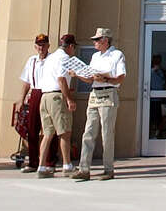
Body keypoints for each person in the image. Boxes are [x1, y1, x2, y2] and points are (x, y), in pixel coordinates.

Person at [72, 27, 126, 182]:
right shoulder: (95, 56)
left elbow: (120, 77)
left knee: (107, 133)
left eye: (97, 39)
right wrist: (78, 75)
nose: (94, 42)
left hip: (109, 93)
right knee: (88, 132)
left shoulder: (117, 55)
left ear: (105, 40)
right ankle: (84, 169)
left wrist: (106, 80)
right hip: (95, 94)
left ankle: (108, 169)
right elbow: (90, 78)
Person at [36, 34, 80, 178]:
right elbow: (61, 79)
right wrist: (69, 99)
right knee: (65, 133)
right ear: (71, 46)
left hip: (45, 96)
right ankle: (67, 165)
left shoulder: (50, 58)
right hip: (56, 97)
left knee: (47, 134)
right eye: (74, 47)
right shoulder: (64, 58)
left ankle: (41, 167)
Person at [17, 34, 51, 172]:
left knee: (48, 128)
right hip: (35, 92)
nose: (41, 48)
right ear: (35, 46)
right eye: (39, 45)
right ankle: (33, 162)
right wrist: (21, 99)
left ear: (48, 45)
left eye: (44, 45)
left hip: (48, 92)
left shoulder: (52, 59)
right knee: (32, 128)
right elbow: (26, 82)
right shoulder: (32, 61)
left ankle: (49, 162)